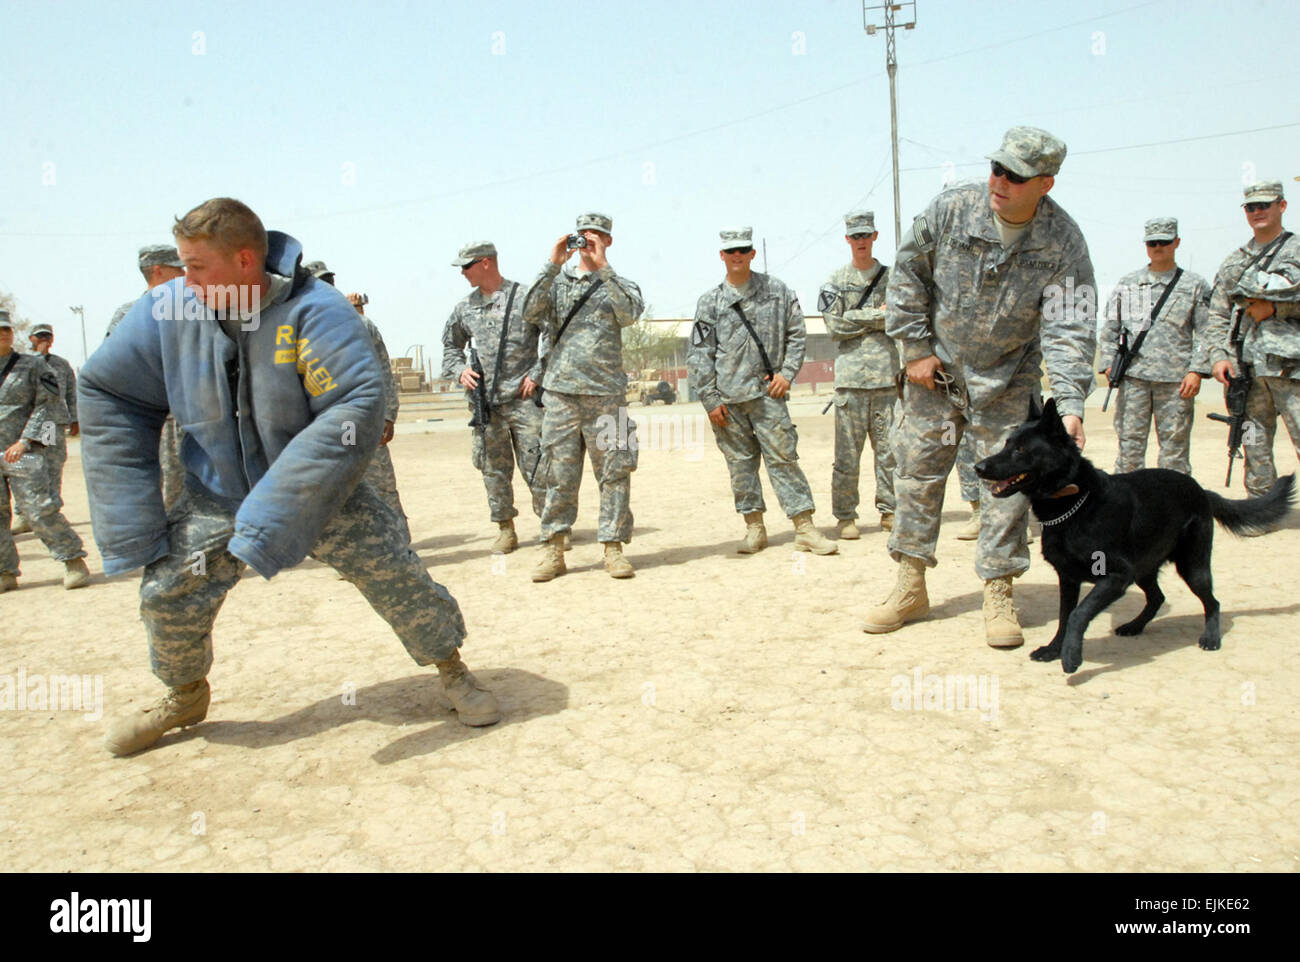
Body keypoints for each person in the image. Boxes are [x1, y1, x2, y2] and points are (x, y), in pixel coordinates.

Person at [79, 198, 498, 757]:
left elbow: (353, 404)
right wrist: (130, 519)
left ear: (245, 260)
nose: (187, 279)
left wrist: (275, 509)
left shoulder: (314, 310)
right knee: (167, 592)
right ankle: (183, 694)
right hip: (215, 494)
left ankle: (451, 669)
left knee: (394, 573)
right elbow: (111, 392)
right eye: (183, 266)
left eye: (198, 266)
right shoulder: (167, 311)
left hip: (320, 492)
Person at [865, 126, 1096, 647]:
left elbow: (1071, 326)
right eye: (997, 168)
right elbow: (906, 276)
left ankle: (998, 588)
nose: (1000, 181)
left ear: (1045, 184)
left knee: (1007, 490)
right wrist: (916, 348)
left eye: (1015, 176)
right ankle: (910, 582)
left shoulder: (1063, 241)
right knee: (917, 476)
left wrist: (1072, 401)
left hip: (1009, 379)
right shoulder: (951, 209)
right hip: (937, 374)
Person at [688, 227, 837, 555]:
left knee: (784, 459)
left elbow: (797, 333)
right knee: (740, 467)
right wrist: (709, 398)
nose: (737, 255)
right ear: (722, 256)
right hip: (728, 401)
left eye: (743, 249)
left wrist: (787, 373)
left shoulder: (777, 290)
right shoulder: (710, 302)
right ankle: (754, 527)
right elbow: (700, 354)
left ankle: (805, 528)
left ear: (752, 253)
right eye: (731, 251)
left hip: (768, 395)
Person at [523, 212, 644, 581]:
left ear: (609, 241)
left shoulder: (620, 284)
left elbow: (630, 315)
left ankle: (613, 548)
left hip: (608, 394)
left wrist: (603, 266)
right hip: (561, 394)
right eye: (583, 237)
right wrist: (551, 263)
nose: (589, 243)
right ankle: (554, 549)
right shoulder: (556, 284)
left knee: (615, 472)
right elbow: (529, 311)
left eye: (598, 237)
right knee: (558, 473)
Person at [441, 241, 546, 554]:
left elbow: (553, 337)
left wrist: (537, 373)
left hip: (524, 400)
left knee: (538, 465)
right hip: (486, 405)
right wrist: (460, 370)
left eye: (467, 266)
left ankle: (551, 525)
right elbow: (450, 347)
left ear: (486, 263)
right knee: (493, 469)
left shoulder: (526, 297)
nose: (462, 272)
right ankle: (505, 528)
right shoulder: (464, 307)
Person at [302, 260, 411, 544]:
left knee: (382, 486)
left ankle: (399, 542)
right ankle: (360, 552)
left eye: (329, 282)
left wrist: (388, 415)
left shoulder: (361, 324)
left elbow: (383, 370)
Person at [1206, 181, 1300, 495]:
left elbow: (1281, 286)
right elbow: (1217, 313)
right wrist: (1219, 355)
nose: (1257, 212)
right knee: (1252, 439)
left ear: (1282, 206)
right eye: (1251, 207)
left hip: (1292, 368)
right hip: (1246, 370)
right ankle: (1262, 506)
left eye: (1265, 205)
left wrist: (1276, 307)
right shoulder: (1234, 259)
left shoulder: (1296, 249)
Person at [1100, 217, 1211, 475]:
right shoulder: (1128, 283)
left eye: (1164, 242)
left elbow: (1207, 332)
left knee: (1174, 453)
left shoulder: (1194, 285)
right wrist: (1107, 363)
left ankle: (1174, 510)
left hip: (1176, 383)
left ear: (1177, 243)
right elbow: (1110, 328)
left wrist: (1196, 370)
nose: (1158, 247)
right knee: (1129, 450)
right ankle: (1129, 508)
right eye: (1152, 243)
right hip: (1134, 380)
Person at [820, 210, 898, 539]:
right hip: (850, 382)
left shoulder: (894, 278)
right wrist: (873, 316)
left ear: (875, 237)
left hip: (886, 379)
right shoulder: (835, 281)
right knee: (847, 455)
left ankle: (891, 510)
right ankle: (846, 516)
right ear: (847, 240)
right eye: (855, 237)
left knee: (890, 452)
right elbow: (834, 325)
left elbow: (898, 317)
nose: (861, 242)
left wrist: (856, 316)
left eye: (866, 236)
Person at [0, 310, 91, 591]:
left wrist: (26, 441)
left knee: (39, 509)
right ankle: (5, 571)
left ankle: (72, 559)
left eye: (6, 329)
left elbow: (47, 404)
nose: (3, 333)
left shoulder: (33, 366)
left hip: (21, 451)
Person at [107, 244, 187, 510]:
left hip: (195, 416)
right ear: (158, 271)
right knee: (160, 490)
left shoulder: (197, 308)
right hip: (152, 418)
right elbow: (113, 365)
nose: (185, 274)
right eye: (179, 269)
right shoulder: (129, 314)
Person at [9, 323, 78, 534]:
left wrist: (74, 418)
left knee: (51, 465)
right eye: (39, 336)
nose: (44, 339)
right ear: (31, 339)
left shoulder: (61, 364)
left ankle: (52, 511)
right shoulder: (22, 363)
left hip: (49, 423)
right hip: (26, 424)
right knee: (24, 467)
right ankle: (23, 515)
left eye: (48, 336)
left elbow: (71, 393)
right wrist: (39, 356)